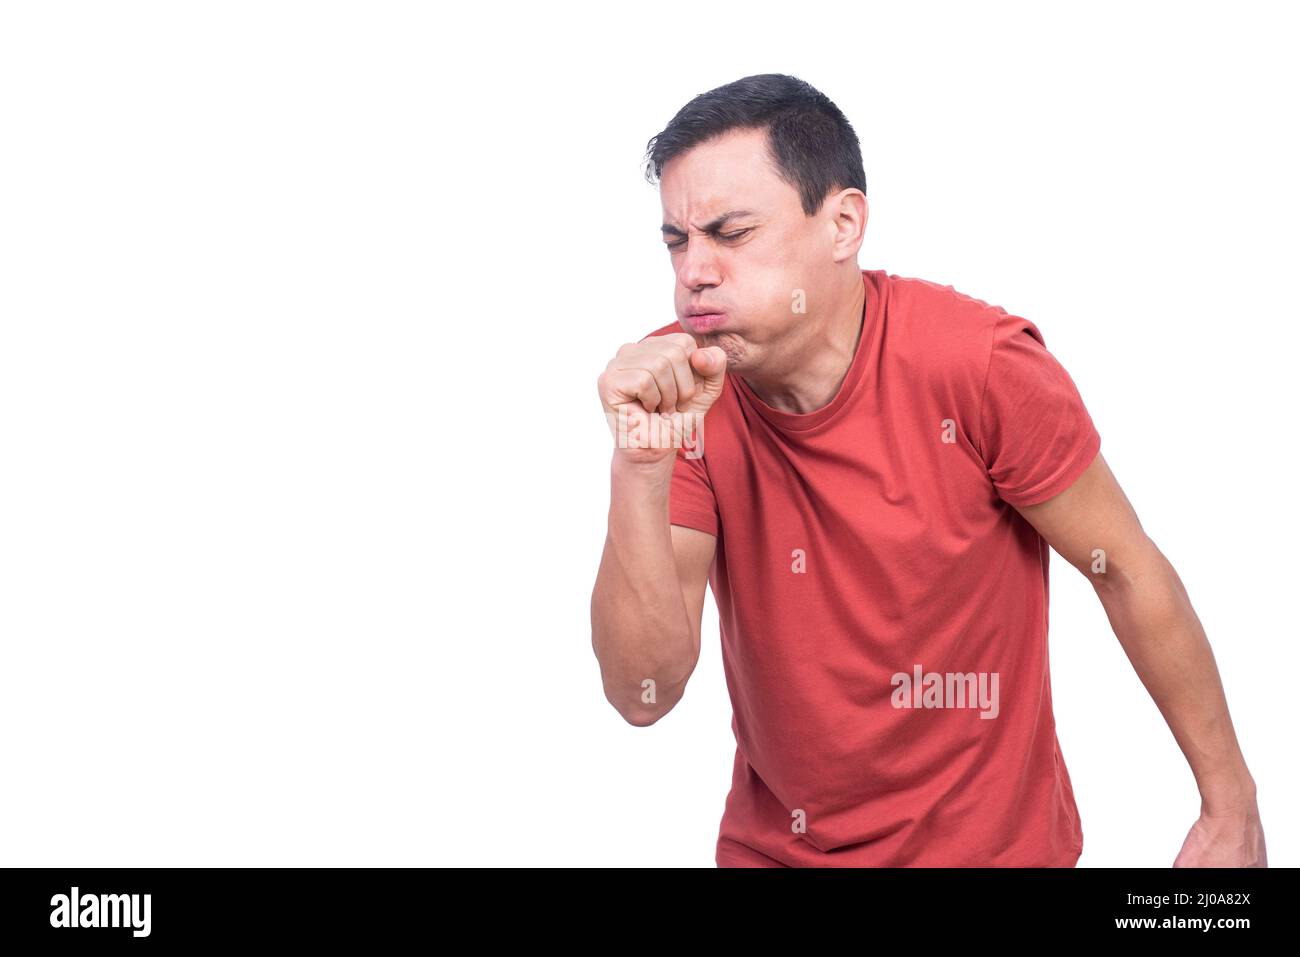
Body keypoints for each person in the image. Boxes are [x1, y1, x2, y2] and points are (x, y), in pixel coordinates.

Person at [589, 73, 1264, 867]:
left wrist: (1230, 805)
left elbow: (1127, 572)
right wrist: (641, 463)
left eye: (730, 233)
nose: (693, 270)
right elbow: (646, 693)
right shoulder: (683, 393)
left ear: (843, 223)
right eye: (677, 240)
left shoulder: (977, 365)